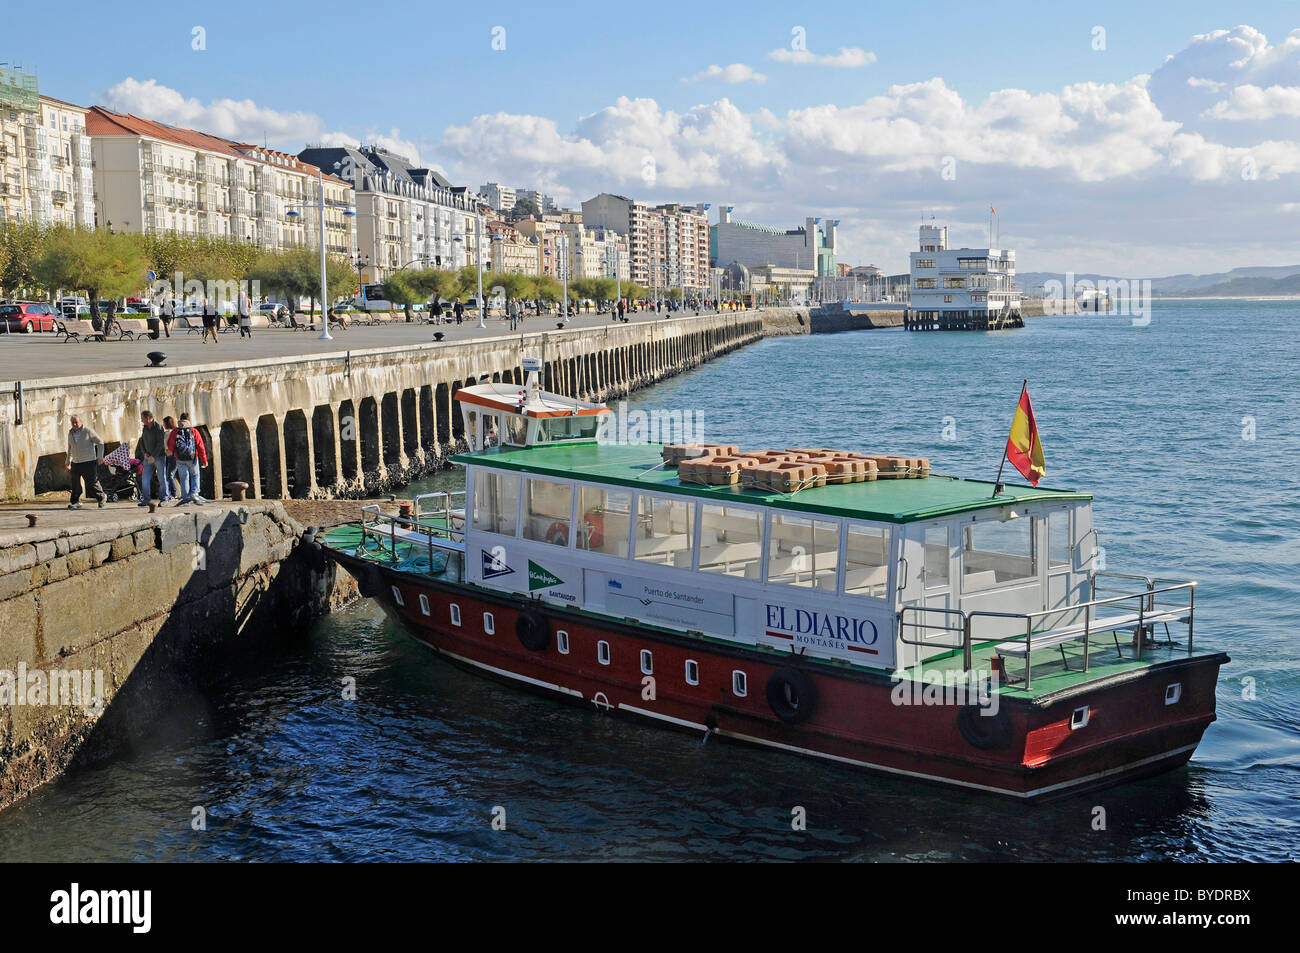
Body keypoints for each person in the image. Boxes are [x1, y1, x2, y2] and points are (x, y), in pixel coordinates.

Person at [168, 413, 209, 505]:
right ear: (189, 420)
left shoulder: (175, 431)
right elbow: (200, 446)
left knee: (184, 478)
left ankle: (186, 497)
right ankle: (194, 494)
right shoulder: (194, 431)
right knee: (195, 475)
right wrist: (204, 460)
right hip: (193, 458)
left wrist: (176, 453)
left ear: (180, 420)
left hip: (180, 459)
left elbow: (170, 446)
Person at [66, 415, 105, 509]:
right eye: (73, 422)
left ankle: (101, 497)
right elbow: (70, 447)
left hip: (88, 461)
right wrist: (68, 460)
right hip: (76, 462)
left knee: (91, 483)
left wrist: (100, 456)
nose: (74, 424)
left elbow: (100, 442)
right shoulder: (70, 433)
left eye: (76, 422)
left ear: (81, 422)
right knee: (74, 482)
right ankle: (76, 501)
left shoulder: (87, 431)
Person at [133, 410, 167, 506]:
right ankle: (146, 499)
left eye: (143, 418)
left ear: (148, 418)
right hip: (148, 458)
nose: (141, 420)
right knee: (145, 479)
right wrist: (144, 453)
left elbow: (160, 444)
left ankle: (164, 498)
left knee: (161, 478)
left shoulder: (159, 428)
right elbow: (142, 441)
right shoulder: (145, 428)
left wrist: (153, 456)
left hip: (159, 457)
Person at [161, 414, 178, 502]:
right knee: (176, 476)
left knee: (169, 475)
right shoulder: (176, 431)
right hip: (177, 456)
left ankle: (174, 494)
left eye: (163, 423)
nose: (163, 425)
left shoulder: (168, 433)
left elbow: (165, 447)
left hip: (171, 456)